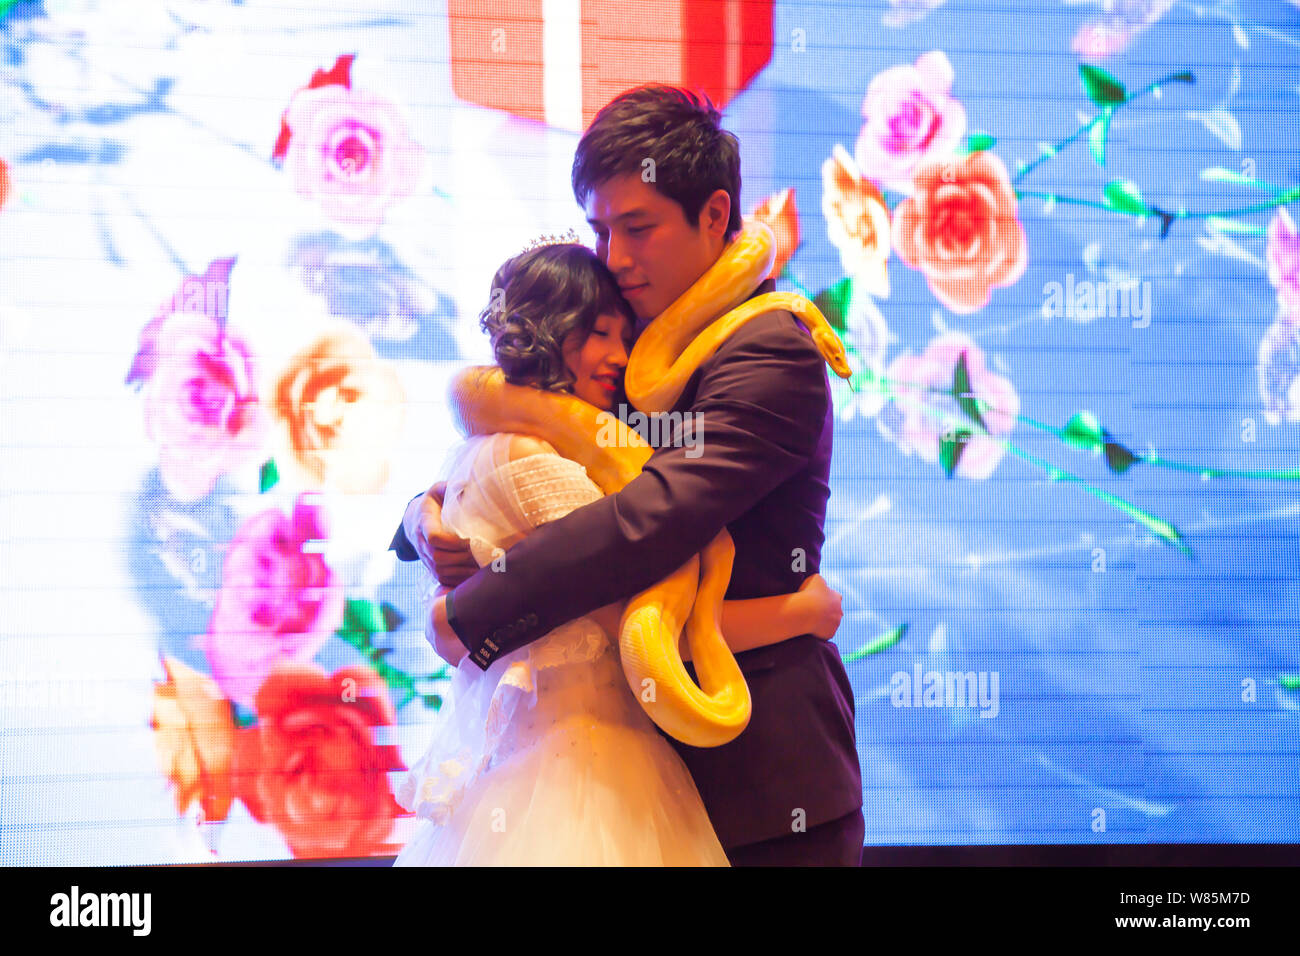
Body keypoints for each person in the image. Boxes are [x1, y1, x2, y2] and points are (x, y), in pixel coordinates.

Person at [396, 85, 865, 866]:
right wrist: (424, 511)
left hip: (764, 793)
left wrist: (469, 616)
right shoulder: (627, 339)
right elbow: (520, 438)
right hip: (628, 784)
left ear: (715, 216)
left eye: (637, 228)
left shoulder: (769, 352)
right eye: (601, 230)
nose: (615, 257)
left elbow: (647, 520)